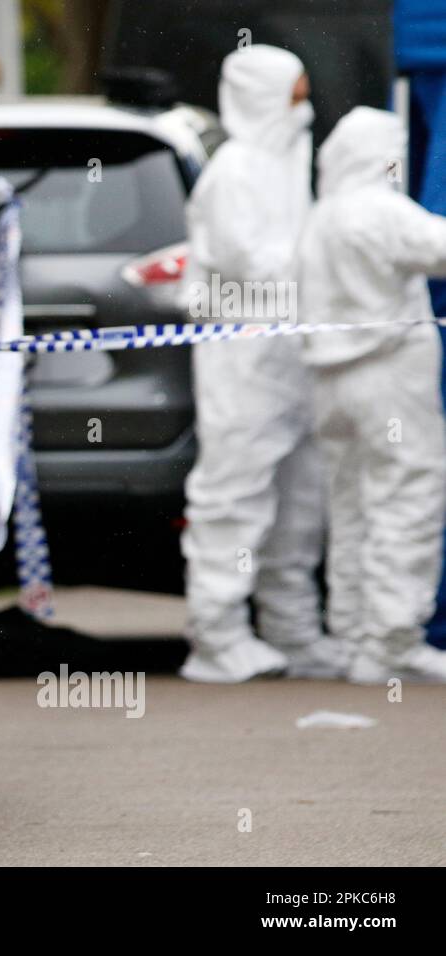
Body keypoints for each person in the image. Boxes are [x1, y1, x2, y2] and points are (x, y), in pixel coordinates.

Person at [179, 44, 346, 683]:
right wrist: (326, 260)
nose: (304, 104)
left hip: (293, 353)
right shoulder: (237, 170)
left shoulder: (284, 165)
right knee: (236, 491)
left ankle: (293, 629)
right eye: (296, 91)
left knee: (299, 499)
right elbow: (252, 261)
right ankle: (217, 636)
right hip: (243, 358)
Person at [296, 106, 446, 683]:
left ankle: (356, 635)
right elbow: (436, 248)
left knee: (351, 507)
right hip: (388, 376)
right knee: (405, 501)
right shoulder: (380, 209)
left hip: (330, 381)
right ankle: (393, 645)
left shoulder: (321, 215)